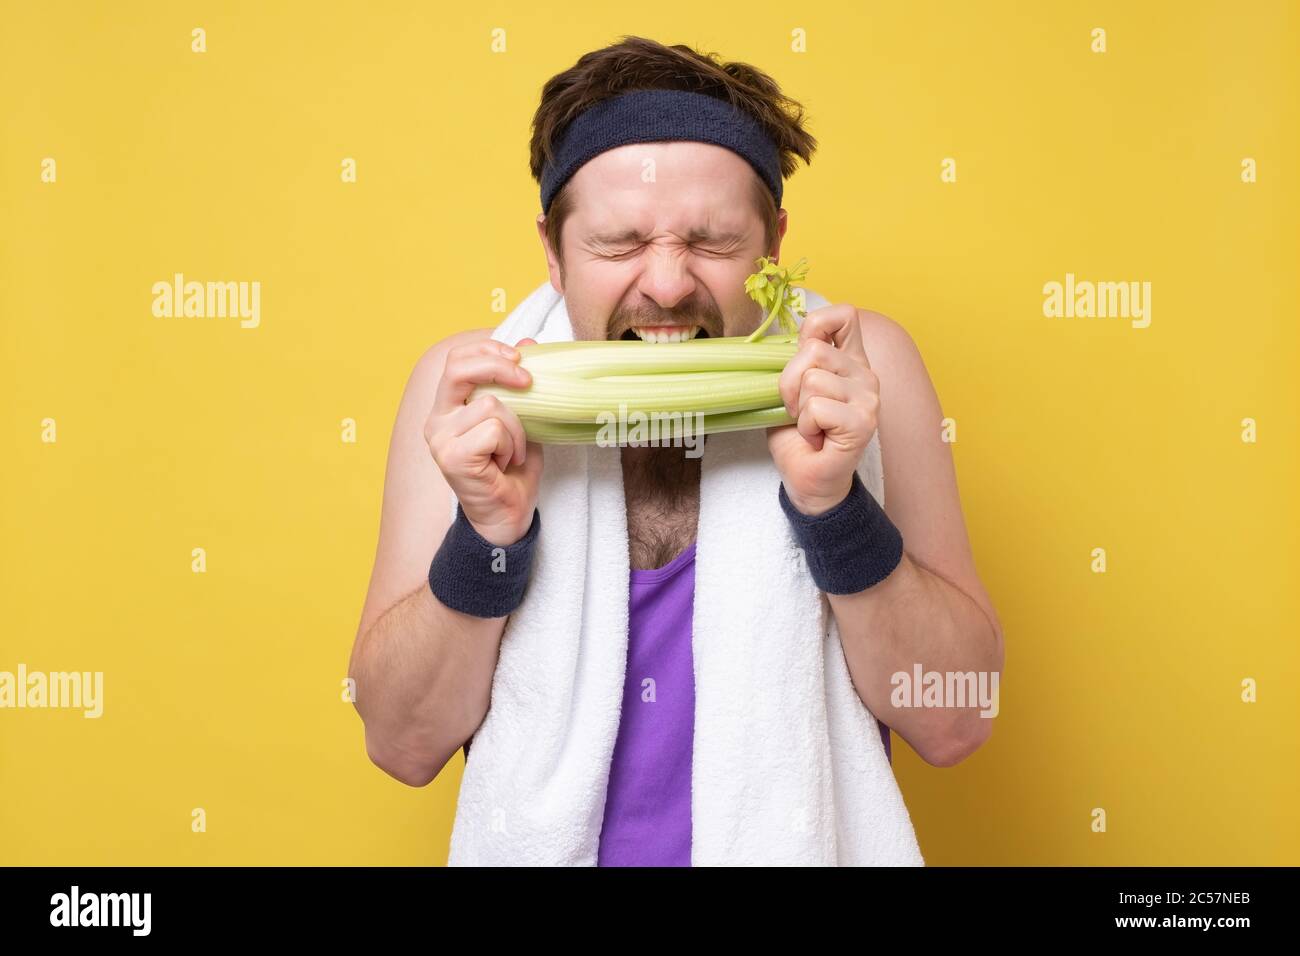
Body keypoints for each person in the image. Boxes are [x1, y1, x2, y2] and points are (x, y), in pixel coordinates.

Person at [348, 36, 1004, 866]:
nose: (665, 285)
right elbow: (402, 746)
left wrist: (834, 510)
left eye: (713, 241)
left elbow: (958, 721)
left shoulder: (867, 372)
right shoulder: (469, 396)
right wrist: (486, 541)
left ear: (773, 249)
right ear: (551, 253)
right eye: (619, 244)